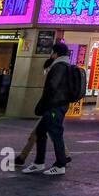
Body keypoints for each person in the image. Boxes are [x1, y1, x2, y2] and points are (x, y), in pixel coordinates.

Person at [21, 41, 74, 176]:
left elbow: (52, 87)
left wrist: (43, 104)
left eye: (52, 52)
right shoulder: (66, 65)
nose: (51, 55)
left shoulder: (59, 67)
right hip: (57, 105)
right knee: (40, 132)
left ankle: (60, 164)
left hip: (54, 107)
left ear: (55, 53)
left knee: (56, 134)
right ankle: (39, 163)